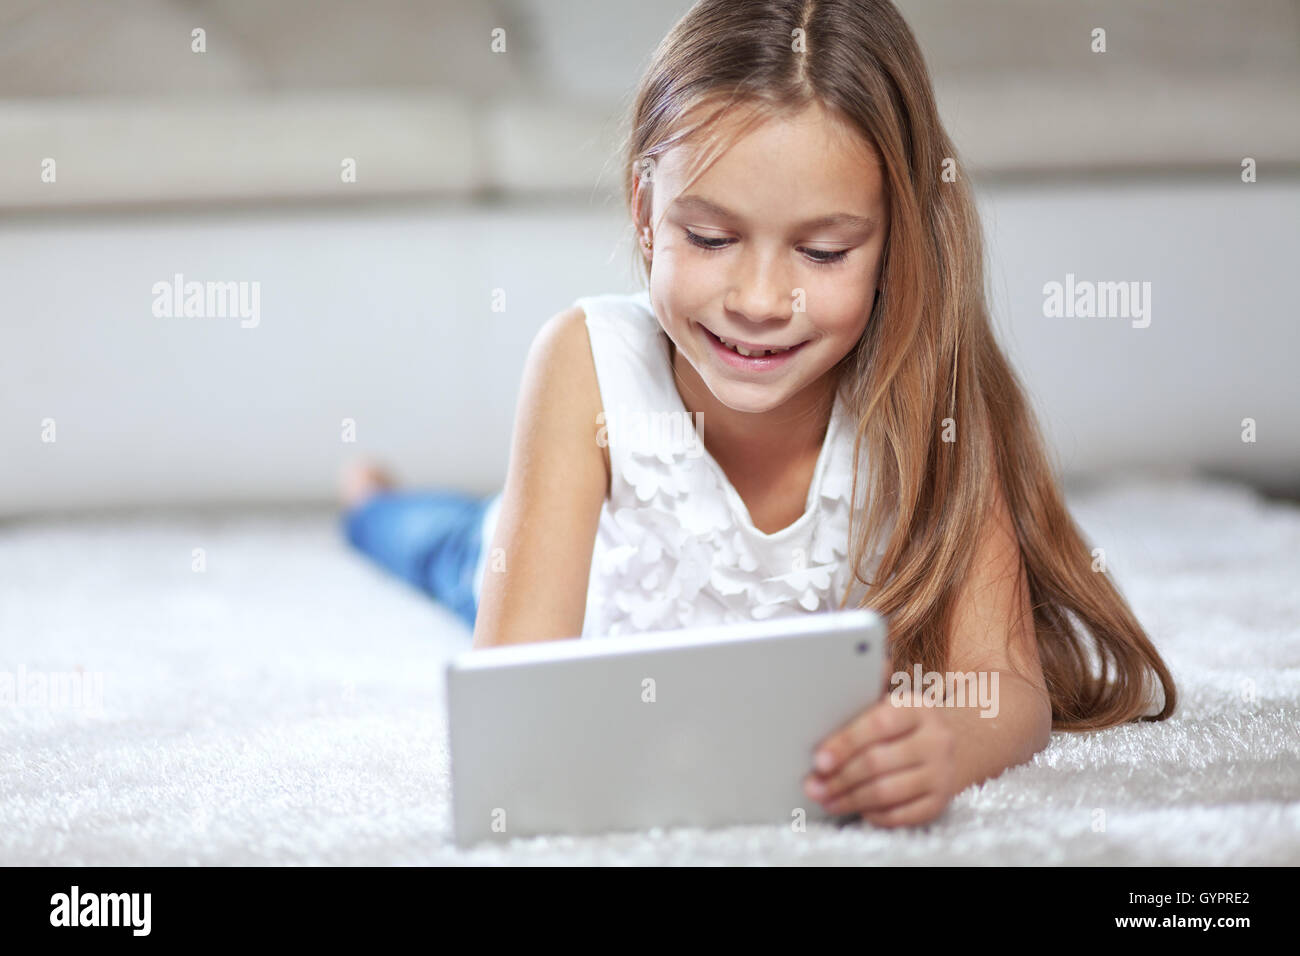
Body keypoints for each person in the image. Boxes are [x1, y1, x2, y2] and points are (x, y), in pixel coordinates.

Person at [340, 0, 1178, 828]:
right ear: (644, 213)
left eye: (822, 252)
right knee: (442, 548)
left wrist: (946, 745)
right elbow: (514, 691)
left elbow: (1004, 691)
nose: (759, 301)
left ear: (895, 243)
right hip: (570, 569)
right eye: (710, 239)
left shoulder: (932, 393)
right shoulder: (583, 363)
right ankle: (372, 497)